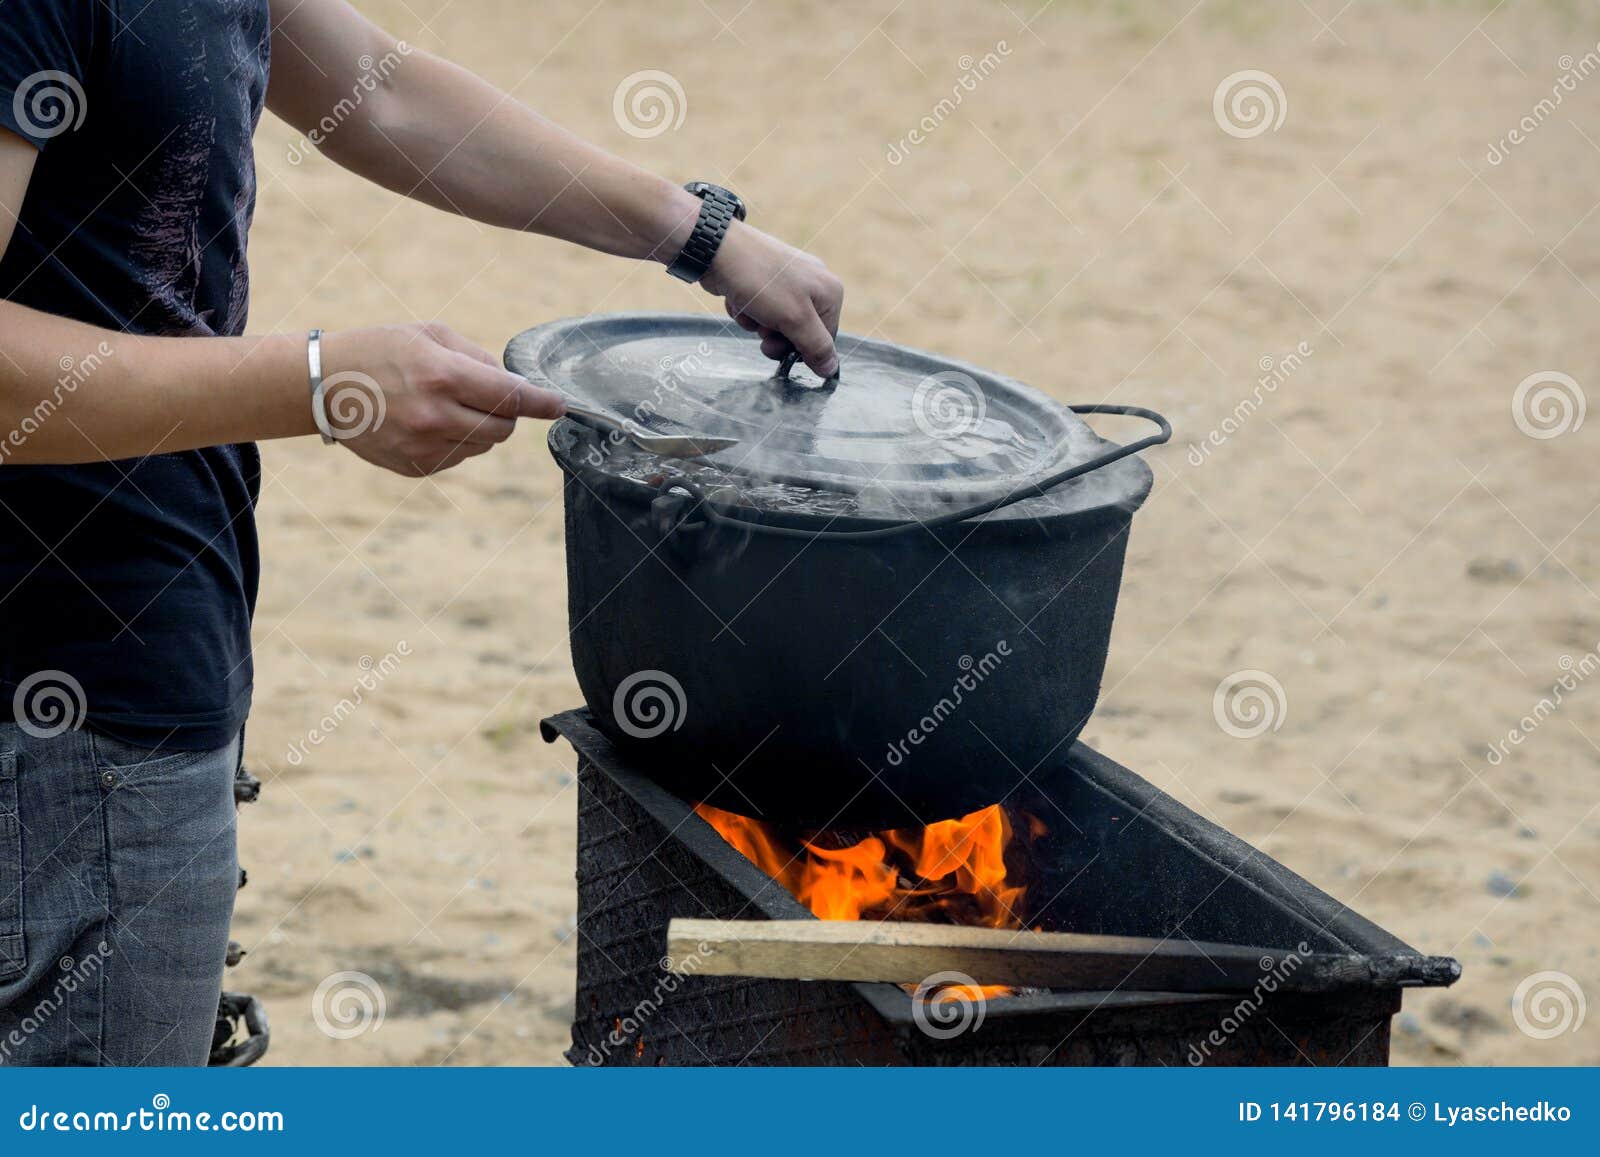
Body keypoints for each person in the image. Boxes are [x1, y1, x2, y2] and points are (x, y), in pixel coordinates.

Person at [0, 0, 843, 1066]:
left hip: (139, 640)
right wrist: (315, 382)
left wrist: (697, 232)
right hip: (65, 692)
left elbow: (378, 91)